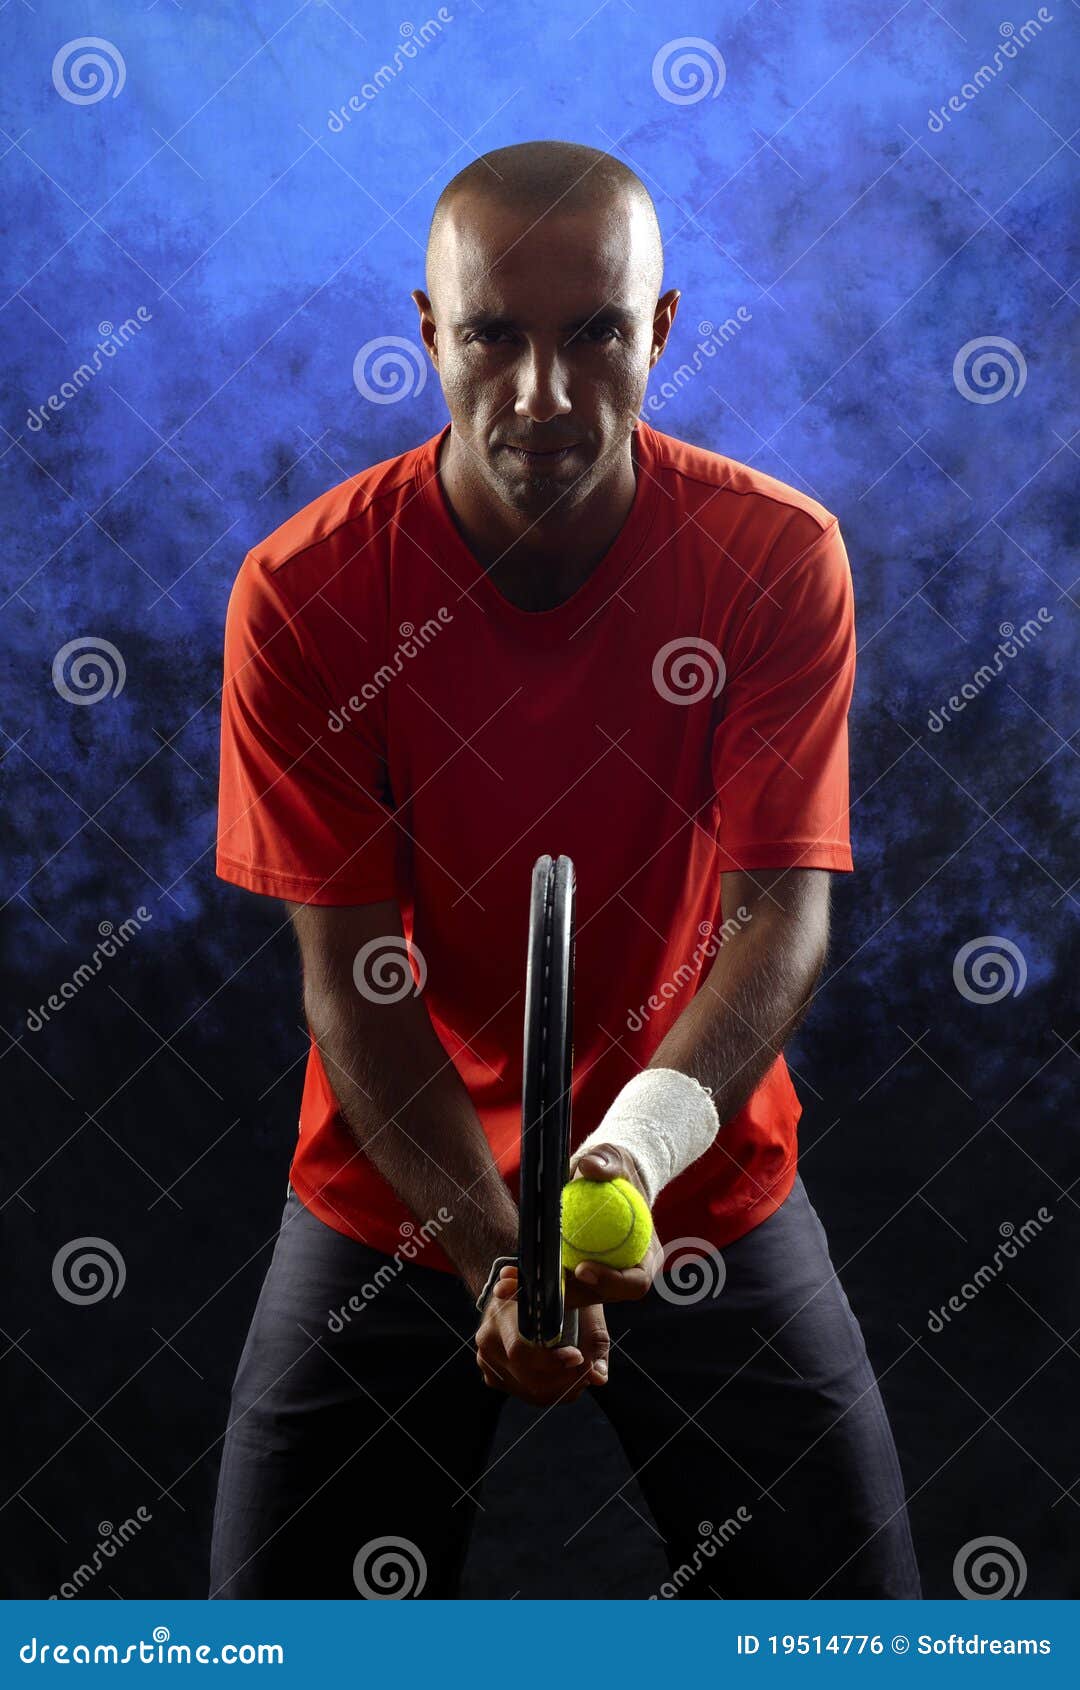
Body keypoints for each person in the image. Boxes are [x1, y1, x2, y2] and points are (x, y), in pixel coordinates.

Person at [208, 139, 922, 1600]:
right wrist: (496, 1252)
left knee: (867, 1645)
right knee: (270, 1651)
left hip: (699, 1181)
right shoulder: (304, 593)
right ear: (428, 334)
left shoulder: (781, 559)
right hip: (396, 1194)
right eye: (493, 336)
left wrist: (633, 1157)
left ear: (660, 331)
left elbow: (782, 921)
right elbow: (349, 978)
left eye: (595, 332)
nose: (542, 393)